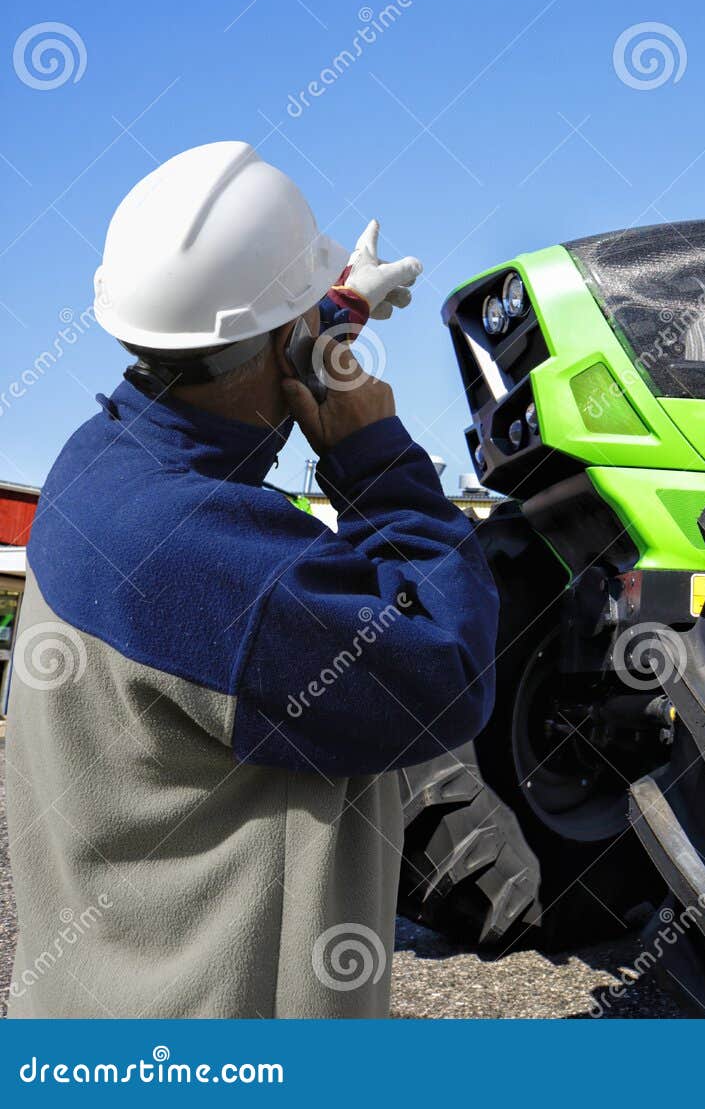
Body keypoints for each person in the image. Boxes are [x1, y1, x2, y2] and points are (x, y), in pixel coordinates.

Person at [4, 141, 498, 1017]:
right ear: (279, 345)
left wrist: (327, 315)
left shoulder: (99, 468)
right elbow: (450, 669)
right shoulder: (223, 563)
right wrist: (375, 457)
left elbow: (224, 372)